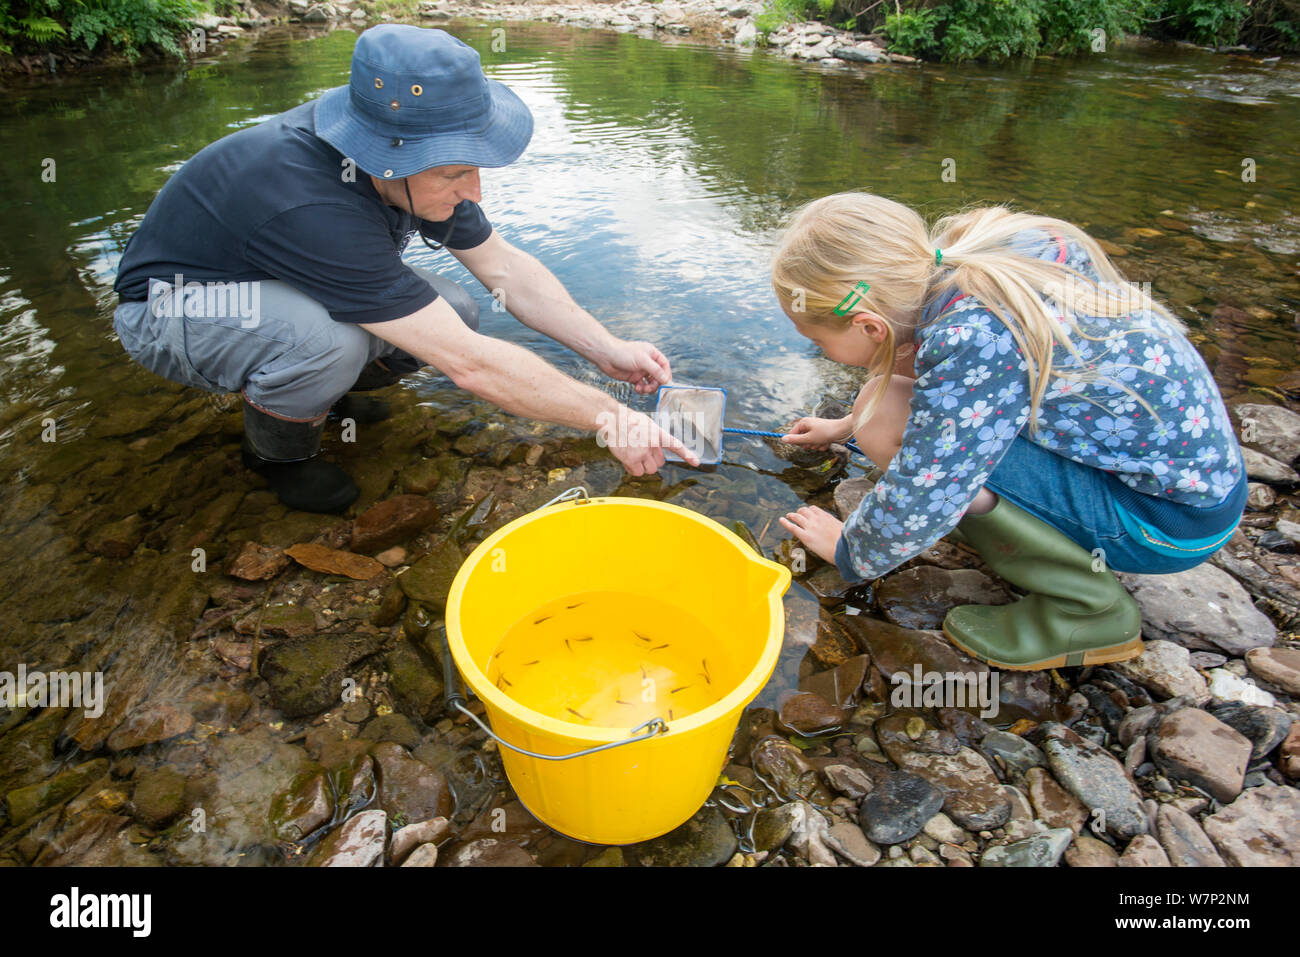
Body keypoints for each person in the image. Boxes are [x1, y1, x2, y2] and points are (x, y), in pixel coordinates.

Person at [111, 24, 693, 514]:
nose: (474, 190)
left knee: (459, 309)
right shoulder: (307, 198)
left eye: (474, 167)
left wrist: (605, 349)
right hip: (171, 307)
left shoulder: (415, 173)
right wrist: (613, 418)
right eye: (452, 174)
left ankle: (323, 399)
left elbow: (503, 267)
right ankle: (277, 456)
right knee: (328, 341)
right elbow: (467, 366)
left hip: (276, 284)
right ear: (383, 158)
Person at [772, 192, 1247, 671]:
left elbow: (927, 485)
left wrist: (851, 548)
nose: (819, 349)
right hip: (1199, 487)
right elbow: (961, 384)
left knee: (889, 424)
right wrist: (844, 427)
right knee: (883, 400)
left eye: (817, 341)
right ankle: (1039, 541)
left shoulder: (975, 338)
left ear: (869, 326)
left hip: (1166, 524)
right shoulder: (982, 263)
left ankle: (1085, 609)